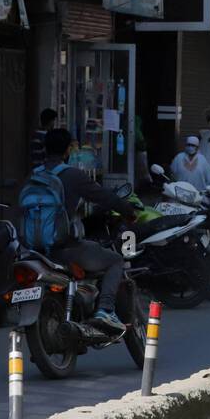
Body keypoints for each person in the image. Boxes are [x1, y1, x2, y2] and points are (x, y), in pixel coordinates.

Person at [39, 129, 135, 334]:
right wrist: (128, 211)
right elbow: (104, 197)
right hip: (64, 247)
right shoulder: (71, 174)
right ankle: (105, 310)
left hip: (36, 249)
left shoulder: (34, 175)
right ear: (68, 150)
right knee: (115, 260)